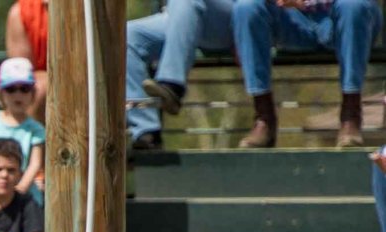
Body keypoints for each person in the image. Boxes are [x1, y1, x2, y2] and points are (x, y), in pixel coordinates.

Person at [232, 0, 382, 148]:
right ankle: (264, 118)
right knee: (246, 7)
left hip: (343, 13)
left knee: (354, 4)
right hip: (291, 17)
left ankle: (351, 115)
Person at [125, 0, 237, 152]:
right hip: (181, 13)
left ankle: (172, 85)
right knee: (128, 36)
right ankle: (146, 132)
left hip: (227, 17)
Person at [0, 57, 45, 201]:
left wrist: (21, 188)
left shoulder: (36, 129)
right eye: (10, 89)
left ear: (33, 94)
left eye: (24, 89)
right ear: (0, 94)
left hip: (24, 192)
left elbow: (35, 163)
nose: (18, 95)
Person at [4, 0, 48, 118]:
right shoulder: (21, 12)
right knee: (34, 88)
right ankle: (26, 135)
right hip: (42, 81)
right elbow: (21, 72)